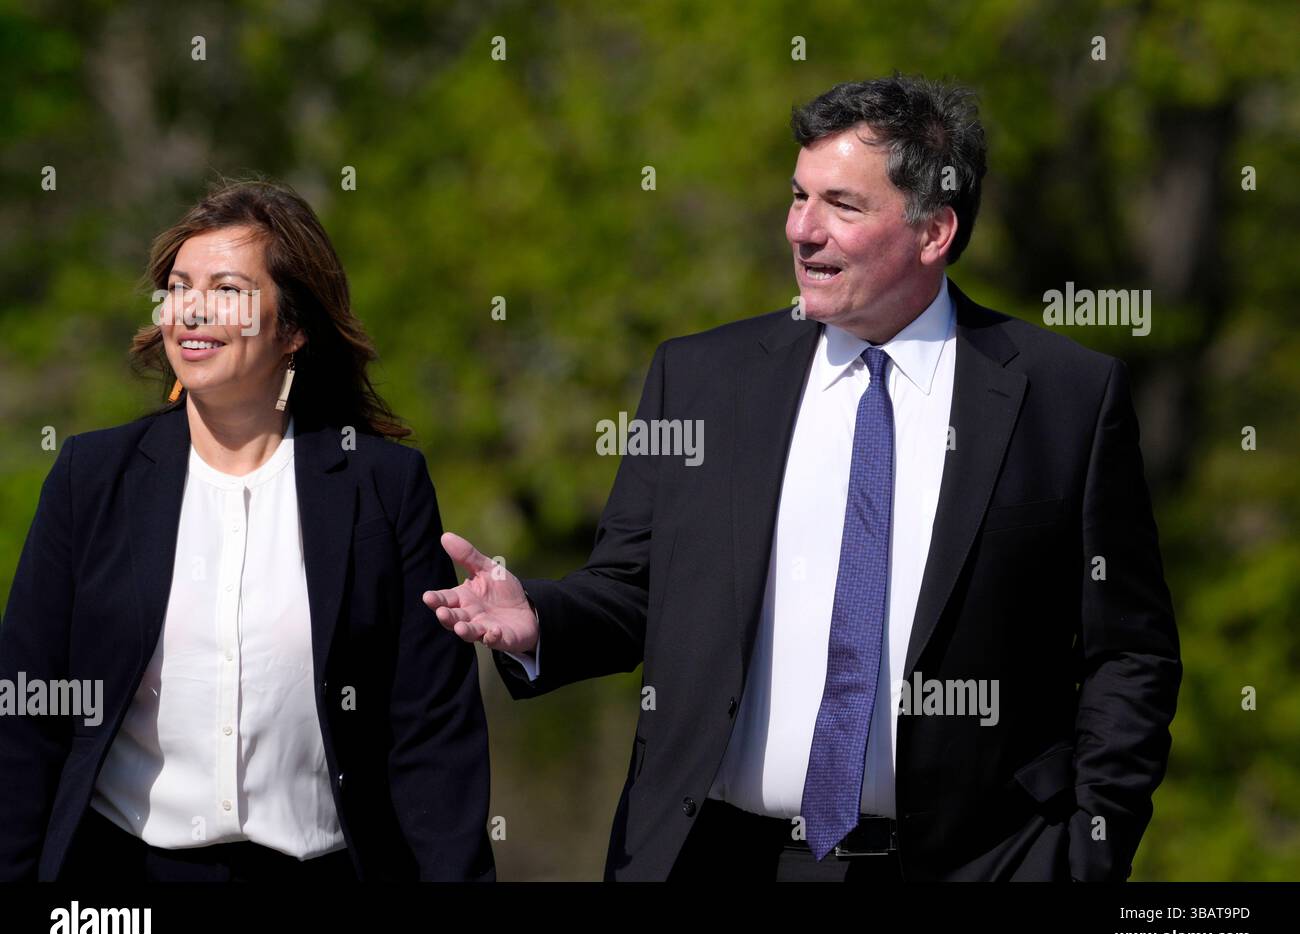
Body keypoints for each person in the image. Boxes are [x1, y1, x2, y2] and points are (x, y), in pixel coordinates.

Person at [425, 74, 1181, 882]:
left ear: (934, 231)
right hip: (715, 861)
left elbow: (1129, 653)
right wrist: (540, 617)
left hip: (979, 863)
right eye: (798, 196)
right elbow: (632, 590)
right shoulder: (701, 380)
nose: (801, 229)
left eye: (842, 206)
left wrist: (1086, 852)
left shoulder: (1065, 396)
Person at [0, 179, 494, 882]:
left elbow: (432, 735)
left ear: (294, 329)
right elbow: (25, 716)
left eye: (227, 289)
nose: (192, 309)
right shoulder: (93, 477)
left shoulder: (384, 487)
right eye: (179, 287)